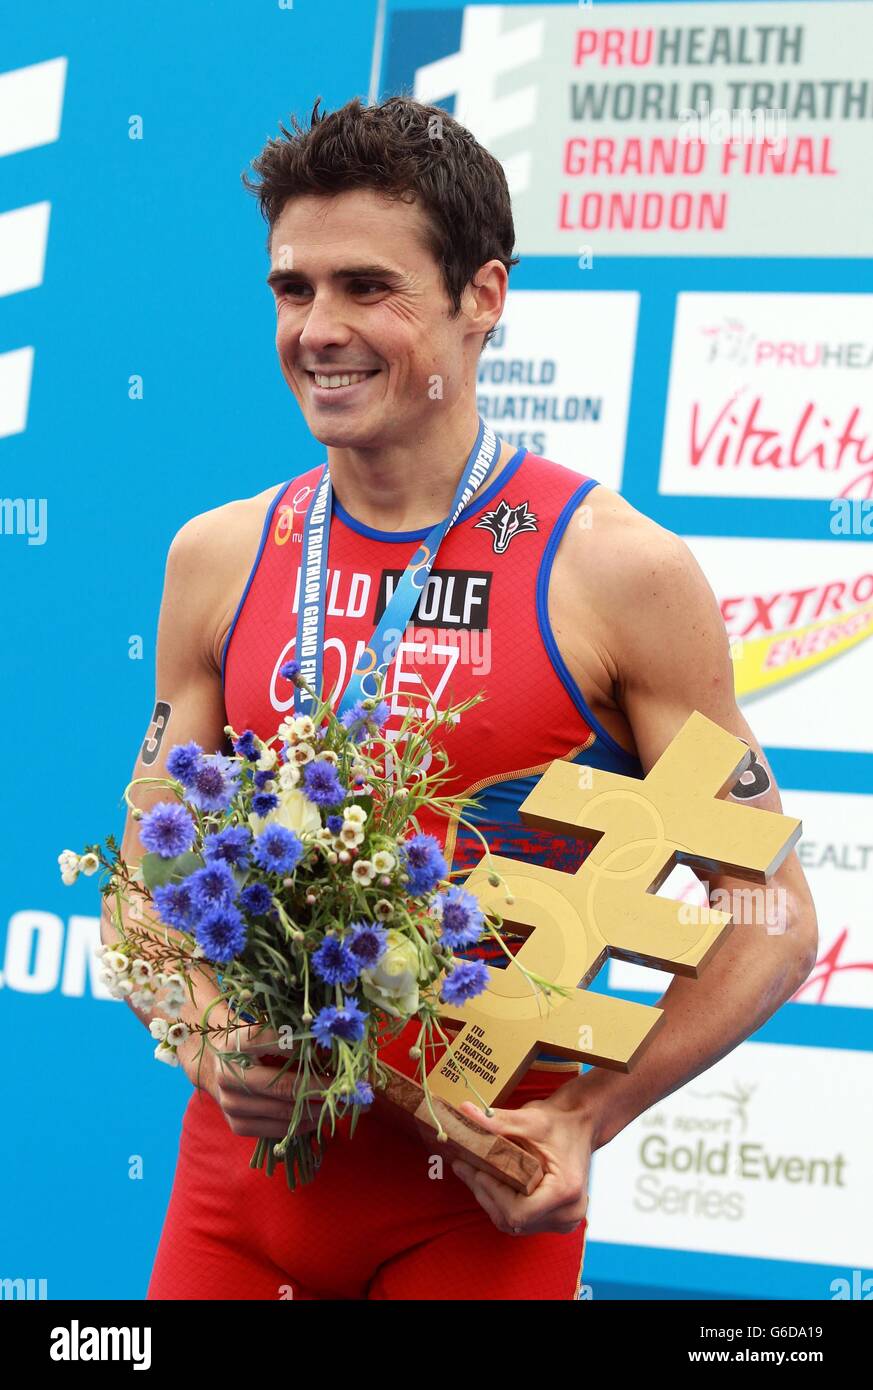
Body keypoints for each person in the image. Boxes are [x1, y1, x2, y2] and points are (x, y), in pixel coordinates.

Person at [103, 95, 818, 1301]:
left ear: (484, 296)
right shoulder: (218, 556)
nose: (320, 330)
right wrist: (207, 1032)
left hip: (473, 1210)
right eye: (294, 290)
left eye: (368, 288)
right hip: (235, 1198)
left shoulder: (613, 568)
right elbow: (143, 878)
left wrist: (592, 1112)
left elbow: (772, 912)